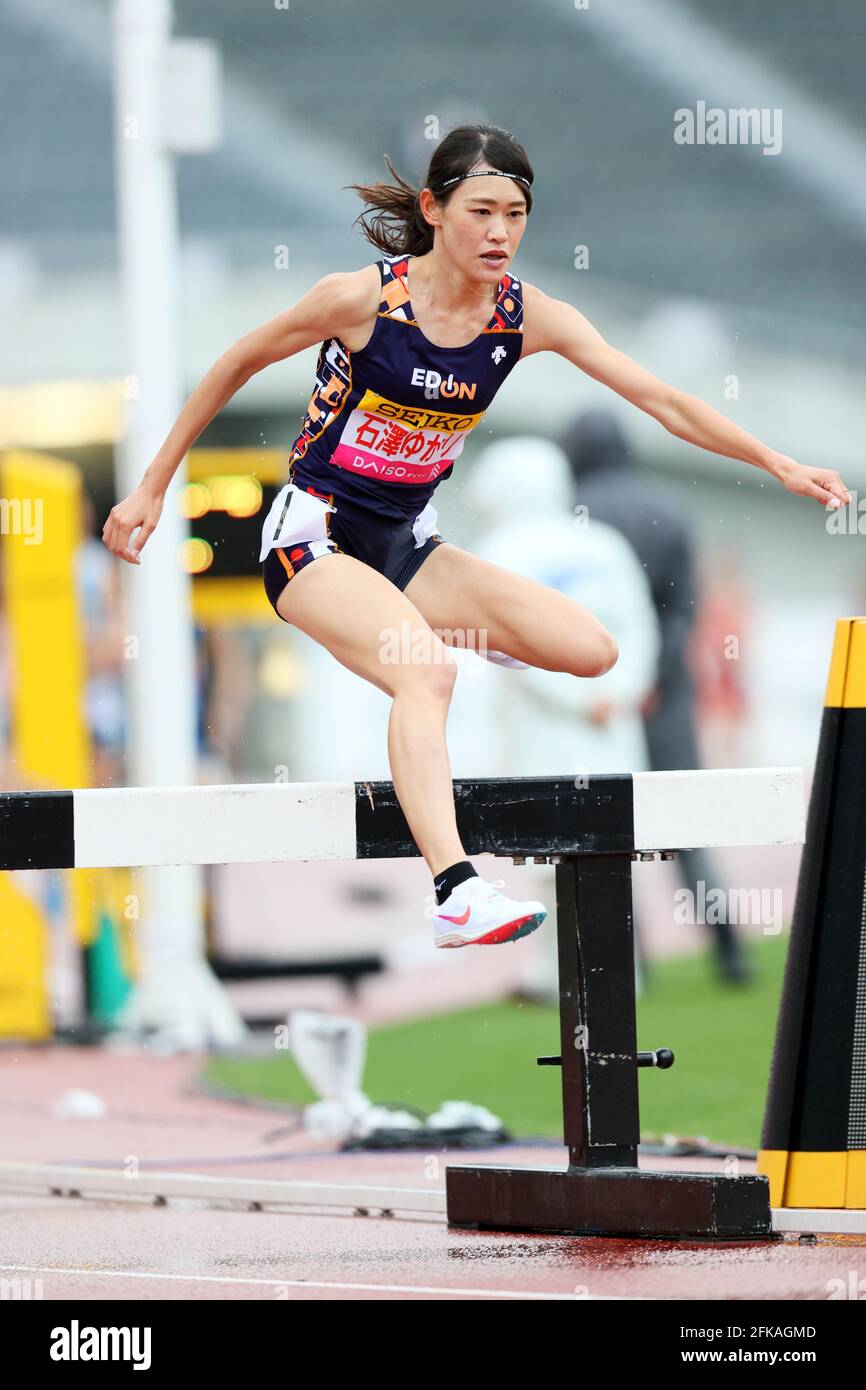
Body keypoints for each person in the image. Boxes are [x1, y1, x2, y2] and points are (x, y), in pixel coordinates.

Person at [101, 122, 851, 953]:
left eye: (517, 214)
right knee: (425, 672)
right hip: (312, 541)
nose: (500, 233)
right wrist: (151, 485)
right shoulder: (360, 301)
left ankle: (446, 651)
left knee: (593, 649)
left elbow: (662, 400)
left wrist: (777, 462)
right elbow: (235, 364)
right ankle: (454, 890)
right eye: (482, 212)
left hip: (407, 547)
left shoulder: (529, 318)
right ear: (433, 208)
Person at [561, 409, 752, 982]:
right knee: (683, 822)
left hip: (592, 693)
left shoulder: (569, 515)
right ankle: (729, 952)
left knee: (601, 829)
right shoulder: (670, 508)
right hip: (665, 692)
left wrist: (617, 683)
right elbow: (683, 615)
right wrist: (650, 680)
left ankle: (627, 963)